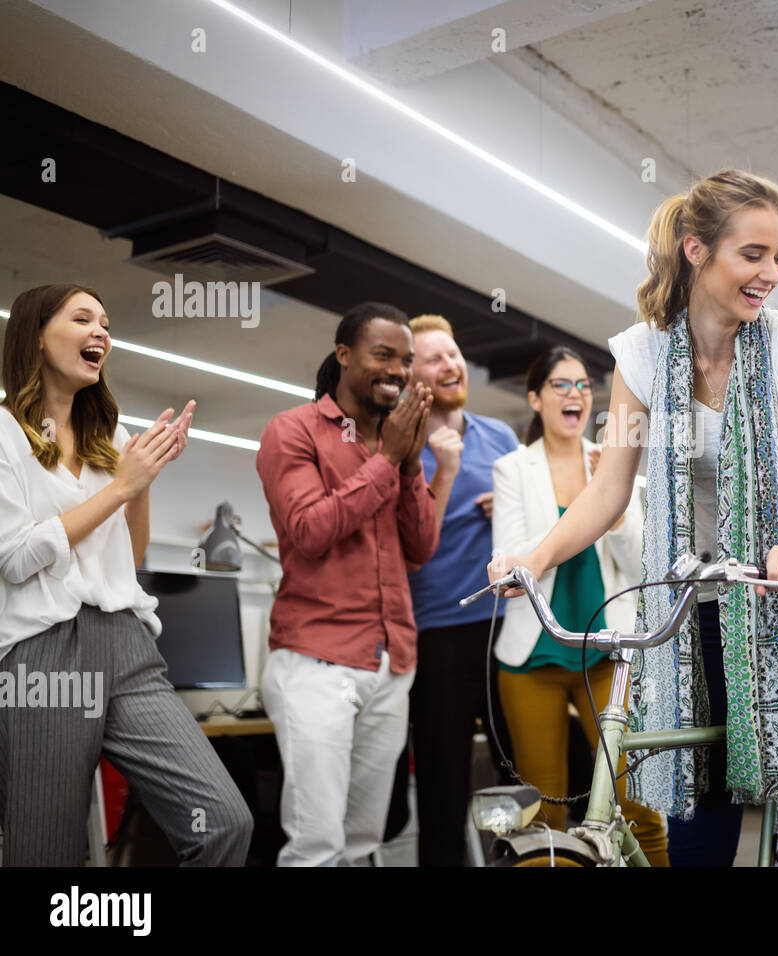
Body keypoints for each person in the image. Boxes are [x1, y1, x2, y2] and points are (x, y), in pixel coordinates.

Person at [491, 169, 778, 867]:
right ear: (697, 250)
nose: (770, 274)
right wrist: (537, 556)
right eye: (753, 254)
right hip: (701, 595)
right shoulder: (642, 353)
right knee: (697, 830)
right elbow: (609, 490)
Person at [0, 283, 251, 866]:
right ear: (36, 336)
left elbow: (129, 560)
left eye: (106, 323)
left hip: (128, 645)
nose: (101, 333)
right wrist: (123, 485)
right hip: (45, 653)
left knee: (223, 822)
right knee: (45, 854)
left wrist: (143, 480)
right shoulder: (6, 434)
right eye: (83, 318)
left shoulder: (107, 439)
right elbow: (14, 557)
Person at [256, 302, 439, 866]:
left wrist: (408, 466)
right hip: (317, 662)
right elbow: (309, 530)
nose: (398, 371)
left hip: (389, 663)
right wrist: (387, 459)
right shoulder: (292, 430)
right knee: (317, 845)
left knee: (364, 843)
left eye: (405, 360)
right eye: (383, 355)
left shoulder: (395, 442)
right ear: (343, 355)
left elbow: (421, 548)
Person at [491, 346, 668, 865]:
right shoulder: (513, 469)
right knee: (543, 815)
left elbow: (639, 564)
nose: (576, 394)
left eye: (584, 385)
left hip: (607, 655)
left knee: (636, 806)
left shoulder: (616, 465)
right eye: (561, 385)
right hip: (533, 655)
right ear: (535, 399)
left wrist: (606, 503)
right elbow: (515, 553)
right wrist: (584, 507)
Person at [397, 313, 519, 867]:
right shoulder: (399, 445)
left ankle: (508, 857)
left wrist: (512, 509)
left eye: (454, 353)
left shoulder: (501, 437)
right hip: (436, 632)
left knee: (513, 771)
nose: (451, 365)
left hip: (504, 626)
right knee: (444, 782)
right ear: (410, 376)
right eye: (434, 358)